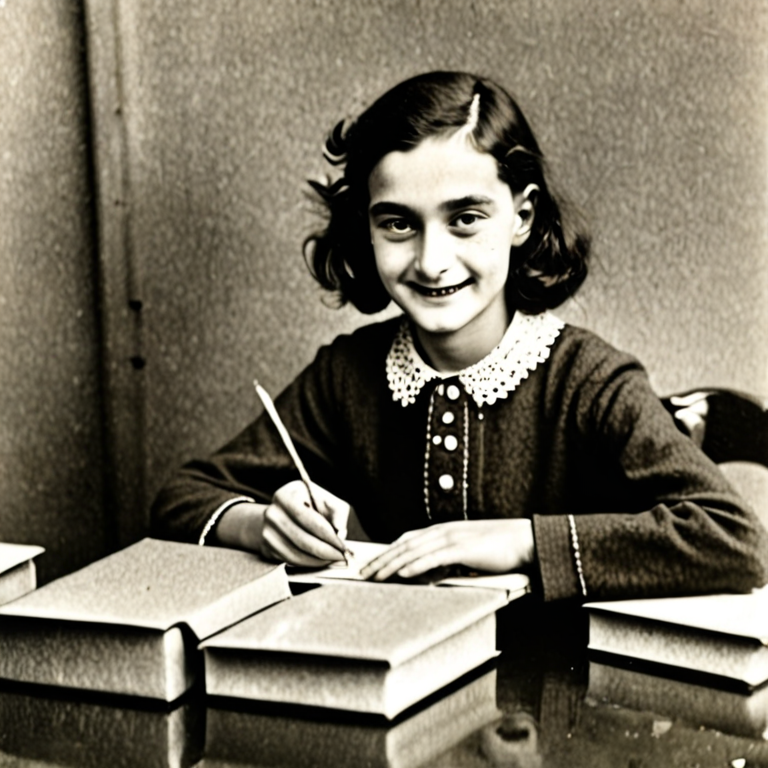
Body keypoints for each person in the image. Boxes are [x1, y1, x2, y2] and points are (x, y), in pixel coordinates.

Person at [151, 71, 768, 602]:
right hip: (412, 687)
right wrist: (260, 524)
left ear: (522, 217)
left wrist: (521, 539)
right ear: (365, 229)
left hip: (567, 703)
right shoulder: (348, 375)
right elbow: (181, 496)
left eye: (465, 219)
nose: (431, 260)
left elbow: (734, 539)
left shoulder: (588, 381)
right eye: (397, 223)